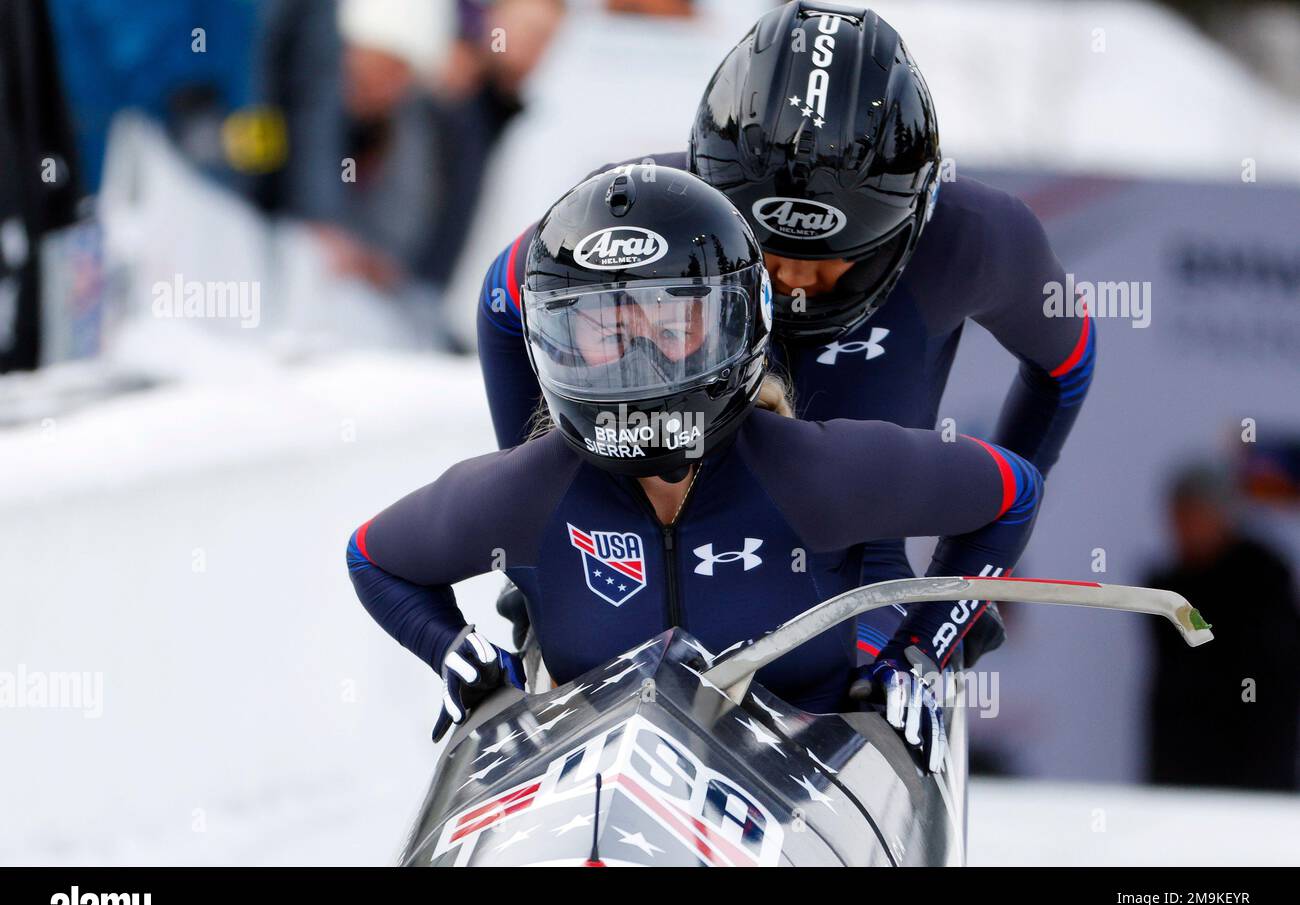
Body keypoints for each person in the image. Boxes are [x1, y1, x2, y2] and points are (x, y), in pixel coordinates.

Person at [349, 167, 1043, 773]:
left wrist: (924, 651)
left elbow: (1010, 493)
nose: (641, 363)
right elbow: (376, 558)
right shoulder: (530, 493)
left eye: (673, 326)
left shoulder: (817, 475)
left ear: (735, 325)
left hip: (808, 787)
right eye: (608, 332)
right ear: (554, 343)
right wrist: (454, 654)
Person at [474, 2, 1094, 667]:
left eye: (831, 259)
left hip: (859, 581)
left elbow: (1065, 367)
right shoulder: (644, 208)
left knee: (863, 685)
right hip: (648, 553)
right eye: (767, 256)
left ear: (910, 222)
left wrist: (954, 597)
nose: (796, 279)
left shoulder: (977, 238)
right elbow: (505, 301)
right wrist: (548, 538)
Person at [1143, 465, 1300, 791]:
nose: (1182, 529)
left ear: (1221, 515)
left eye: (1192, 516)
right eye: (1177, 518)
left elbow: (1259, 670)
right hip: (1179, 770)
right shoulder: (1165, 586)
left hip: (1253, 770)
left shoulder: (1263, 579)